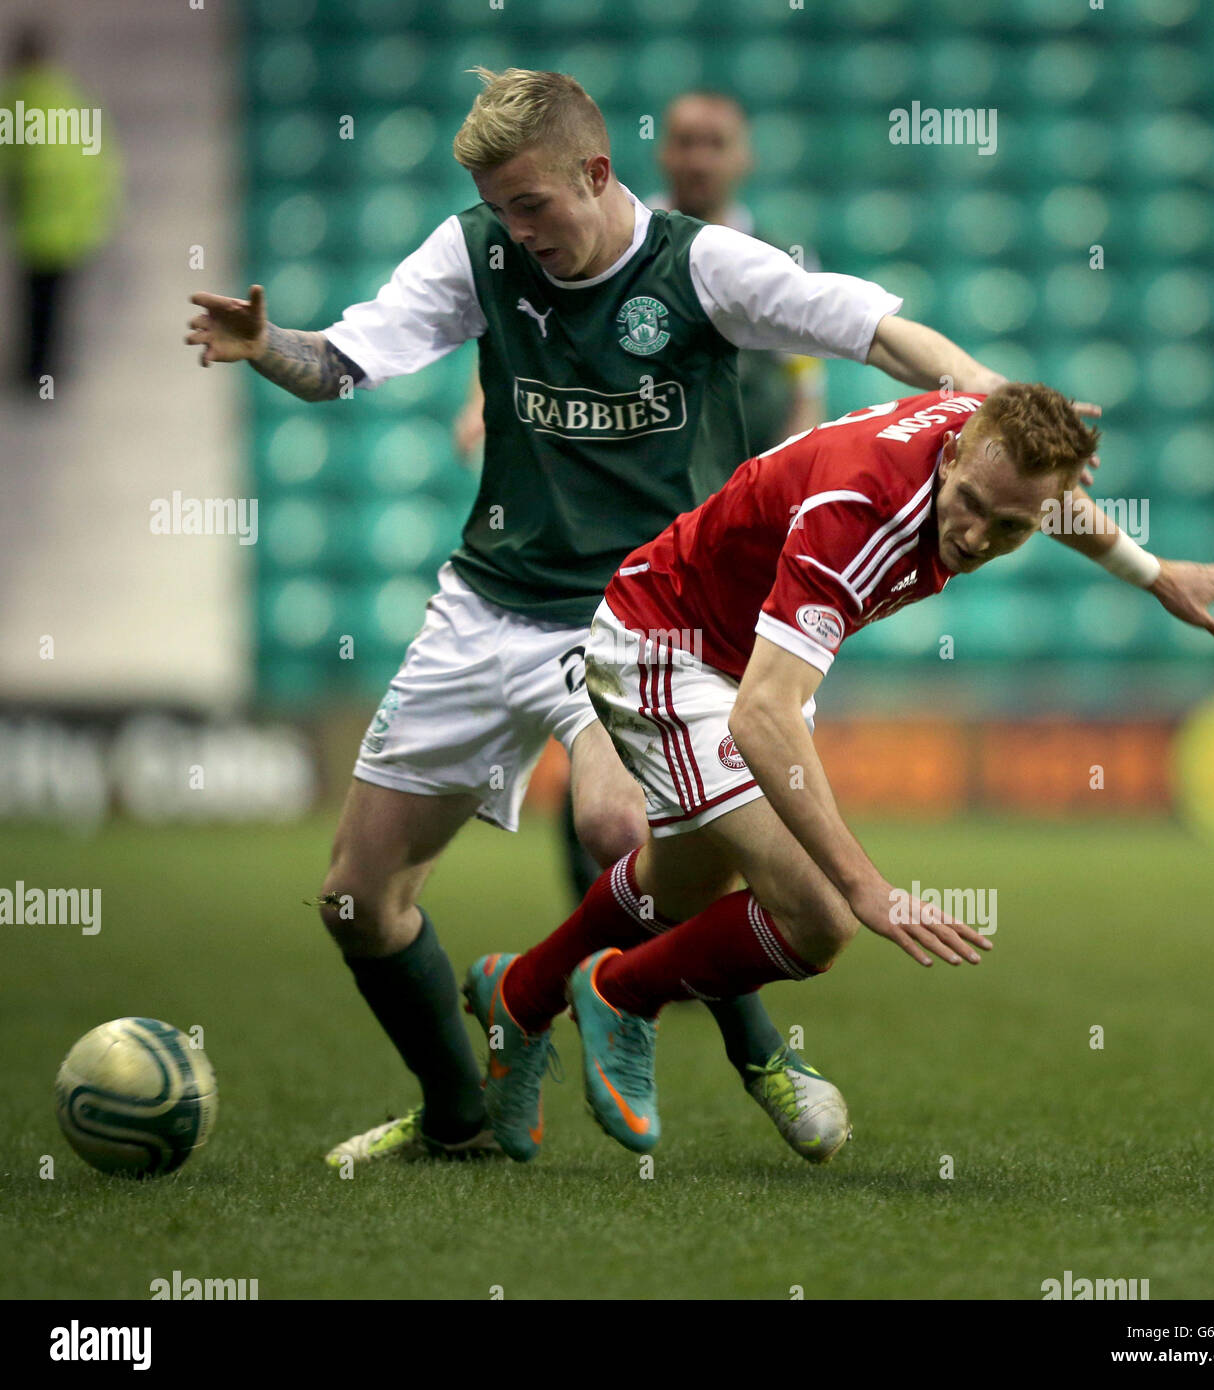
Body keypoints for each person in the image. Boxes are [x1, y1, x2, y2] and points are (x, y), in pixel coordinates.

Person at [185, 66, 1091, 1168]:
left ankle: (739, 1043)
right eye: (498, 209)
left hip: (638, 612)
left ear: (597, 172)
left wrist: (994, 404)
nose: (514, 230)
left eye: (531, 206)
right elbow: (336, 366)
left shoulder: (699, 266)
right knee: (353, 903)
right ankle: (461, 1116)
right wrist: (262, 349)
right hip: (487, 603)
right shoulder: (478, 250)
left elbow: (881, 330)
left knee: (628, 828)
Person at [463, 383, 1214, 1157]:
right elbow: (761, 720)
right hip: (669, 647)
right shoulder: (862, 513)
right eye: (971, 507)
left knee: (677, 883)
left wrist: (1154, 573)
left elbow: (1049, 500)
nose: (977, 538)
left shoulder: (990, 450)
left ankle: (522, 992)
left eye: (1010, 528)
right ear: (951, 455)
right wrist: (867, 886)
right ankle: (620, 995)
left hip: (754, 650)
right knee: (820, 917)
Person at [455, 87, 827, 905]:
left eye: (714, 141)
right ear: (660, 153)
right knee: (608, 726)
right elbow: (544, 347)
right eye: (684, 141)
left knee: (728, 722)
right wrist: (487, 406)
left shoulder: (770, 257)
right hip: (633, 532)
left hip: (738, 527)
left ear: (742, 156)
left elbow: (807, 390)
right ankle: (608, 914)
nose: (696, 156)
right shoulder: (607, 240)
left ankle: (694, 914)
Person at [0, 22, 120, 387]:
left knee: (35, 302)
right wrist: (98, 213)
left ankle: (33, 370)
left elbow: (7, 157)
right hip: (73, 223)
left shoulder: (14, 99)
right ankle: (48, 369)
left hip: (37, 221)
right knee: (56, 303)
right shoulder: (70, 95)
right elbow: (99, 158)